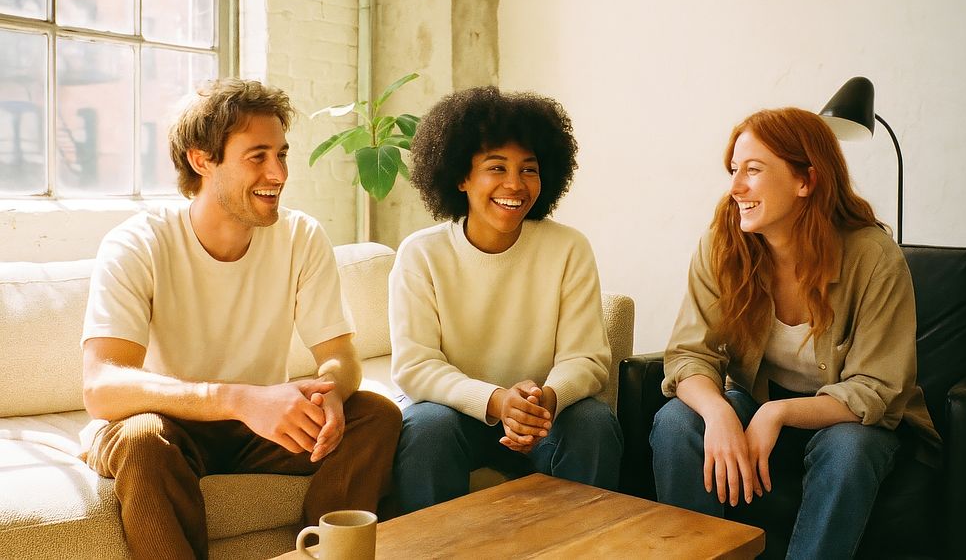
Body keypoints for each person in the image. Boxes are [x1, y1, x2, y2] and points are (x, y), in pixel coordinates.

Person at [80, 79, 402, 560]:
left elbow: (339, 356)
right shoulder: (138, 244)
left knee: (375, 415)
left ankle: (320, 552)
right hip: (173, 425)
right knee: (140, 437)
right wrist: (238, 399)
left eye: (282, 154)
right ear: (202, 160)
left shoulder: (299, 236)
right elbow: (101, 387)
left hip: (261, 431)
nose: (278, 173)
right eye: (257, 156)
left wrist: (333, 390)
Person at [649, 107, 940, 559]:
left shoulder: (874, 258)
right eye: (733, 170)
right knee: (675, 423)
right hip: (759, 399)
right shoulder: (722, 244)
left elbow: (877, 389)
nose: (735, 187)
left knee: (849, 448)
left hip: (848, 424)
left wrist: (777, 414)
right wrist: (721, 414)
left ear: (806, 181)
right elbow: (689, 354)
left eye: (754, 170)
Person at [389, 85, 623, 514]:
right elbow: (415, 367)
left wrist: (545, 401)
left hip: (542, 417)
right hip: (455, 415)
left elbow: (587, 358)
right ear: (461, 176)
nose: (514, 184)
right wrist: (497, 401)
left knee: (593, 421)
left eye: (529, 170)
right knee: (426, 426)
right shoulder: (421, 254)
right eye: (496, 168)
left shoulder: (567, 247)